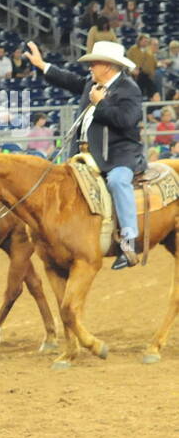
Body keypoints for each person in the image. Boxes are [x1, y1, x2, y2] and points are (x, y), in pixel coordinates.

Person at [27, 39, 145, 267]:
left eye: (94, 63)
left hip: (117, 155)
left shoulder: (129, 89)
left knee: (119, 182)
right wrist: (43, 65)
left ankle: (128, 241)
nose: (90, 68)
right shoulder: (90, 84)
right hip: (84, 155)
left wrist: (100, 104)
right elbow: (70, 79)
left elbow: (126, 121)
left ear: (108, 66)